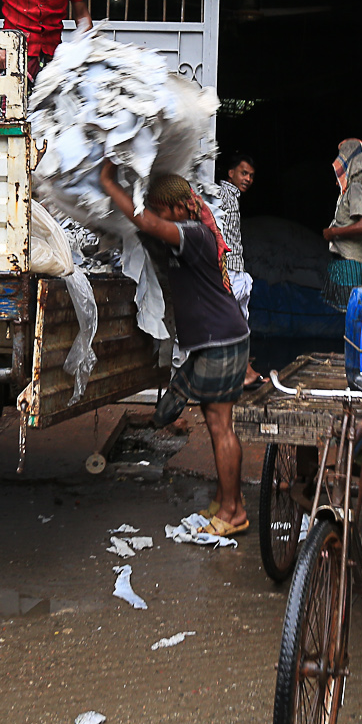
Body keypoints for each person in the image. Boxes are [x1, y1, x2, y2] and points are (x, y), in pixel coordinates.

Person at [100, 164, 251, 538]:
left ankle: (232, 512)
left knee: (220, 427)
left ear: (180, 207)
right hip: (216, 339)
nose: (155, 217)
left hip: (221, 340)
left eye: (160, 210)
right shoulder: (190, 229)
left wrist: (108, 183)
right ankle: (228, 501)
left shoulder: (194, 234)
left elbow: (149, 225)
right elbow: (149, 230)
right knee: (216, 424)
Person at [212, 154, 259, 385]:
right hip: (228, 269)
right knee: (235, 322)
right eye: (244, 173)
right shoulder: (224, 196)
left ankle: (242, 371)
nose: (248, 178)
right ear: (230, 173)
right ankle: (244, 372)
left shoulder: (232, 197)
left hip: (233, 269)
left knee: (237, 321)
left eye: (251, 175)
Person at [322, 138, 362, 309]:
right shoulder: (359, 185)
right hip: (349, 260)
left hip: (352, 262)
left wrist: (333, 233)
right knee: (349, 314)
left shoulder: (356, 186)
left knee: (351, 315)